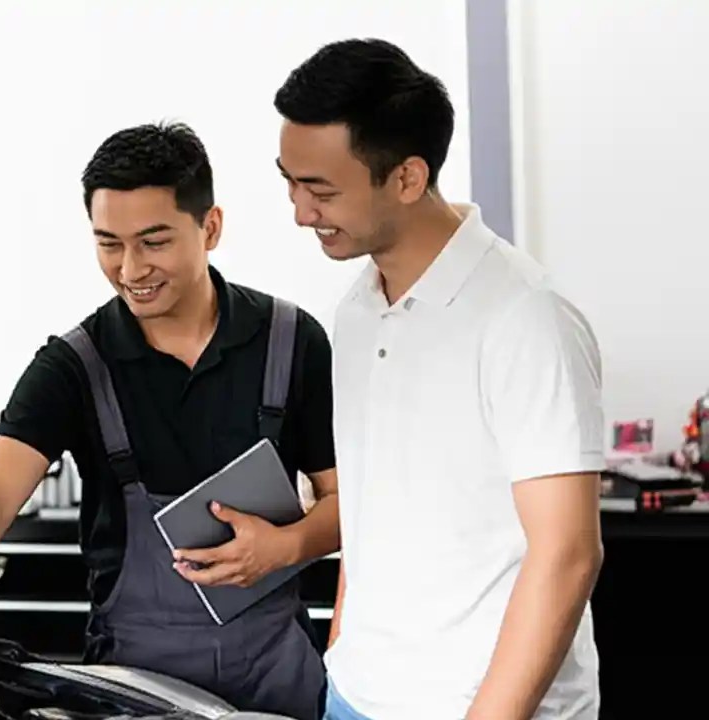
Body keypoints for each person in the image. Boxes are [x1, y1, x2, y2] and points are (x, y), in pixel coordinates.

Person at [0, 121, 341, 720]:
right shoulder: (76, 366)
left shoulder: (293, 343)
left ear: (210, 227)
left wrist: (288, 544)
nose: (131, 269)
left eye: (154, 242)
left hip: (278, 677)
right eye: (109, 243)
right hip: (134, 684)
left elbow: (350, 503)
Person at [272, 39, 605, 720]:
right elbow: (370, 512)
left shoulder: (525, 317)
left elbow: (568, 553)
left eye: (321, 190)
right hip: (357, 694)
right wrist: (343, 657)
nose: (301, 211)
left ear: (408, 177)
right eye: (290, 182)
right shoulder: (357, 312)